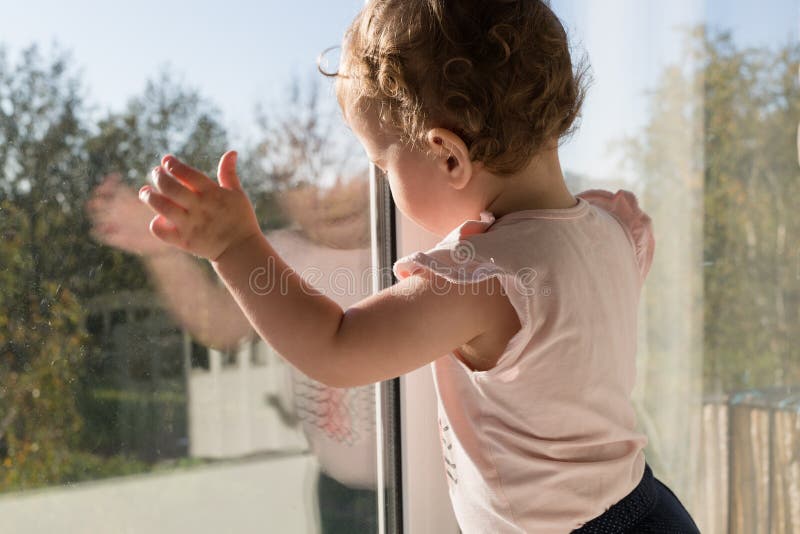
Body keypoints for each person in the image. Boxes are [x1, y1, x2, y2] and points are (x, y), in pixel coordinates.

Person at [135, 1, 701, 532]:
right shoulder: (615, 227)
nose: (382, 181)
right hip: (648, 507)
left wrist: (235, 246)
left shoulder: (485, 278)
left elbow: (335, 347)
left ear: (448, 156)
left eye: (383, 165)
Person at [86, 177, 379, 533]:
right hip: (341, 492)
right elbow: (222, 325)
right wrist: (162, 249)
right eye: (300, 178)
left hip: (430, 482)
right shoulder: (282, 254)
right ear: (277, 190)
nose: (329, 192)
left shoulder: (415, 242)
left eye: (340, 167)